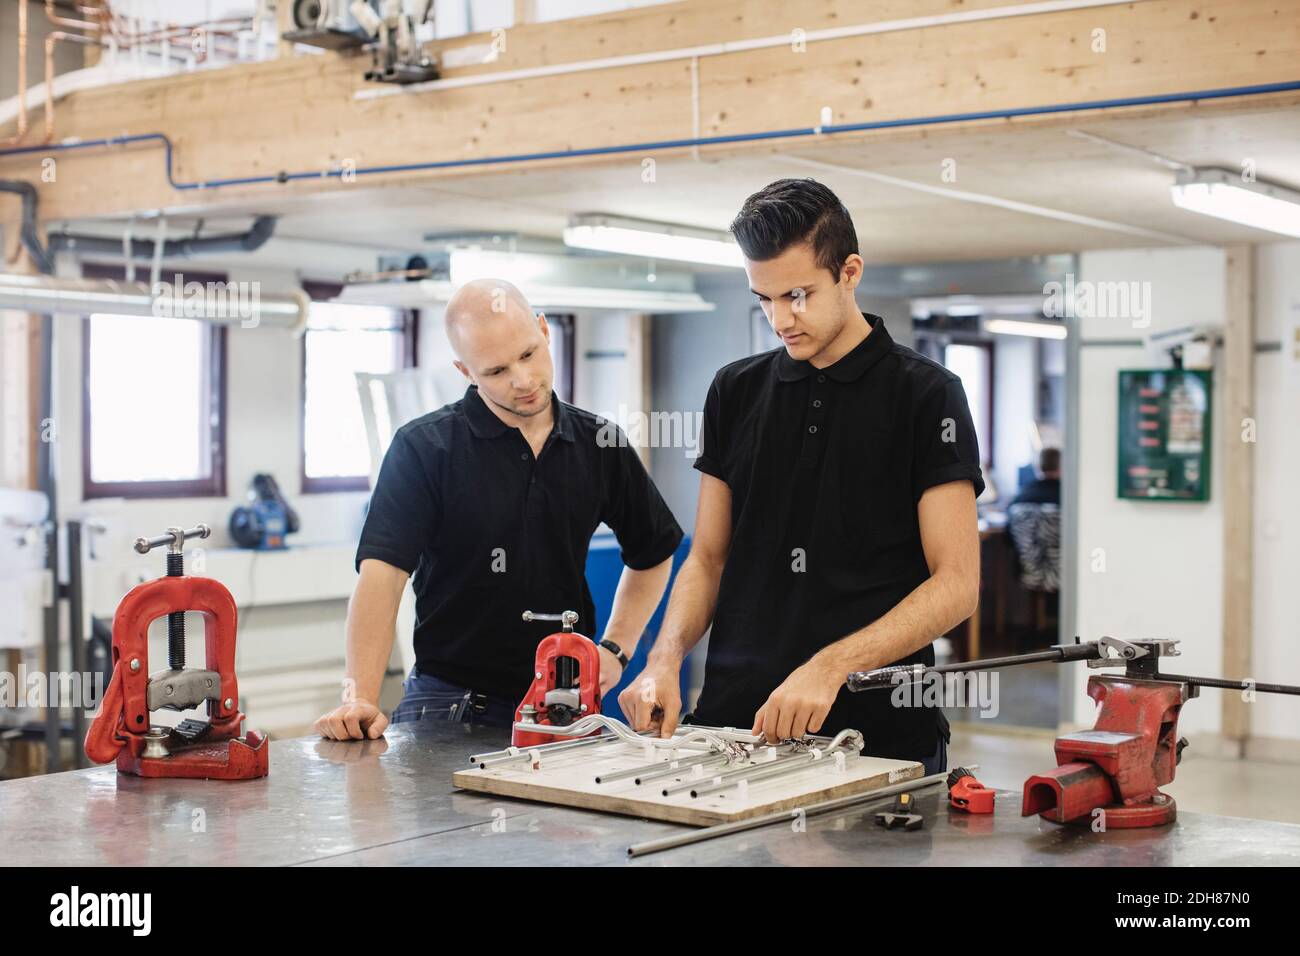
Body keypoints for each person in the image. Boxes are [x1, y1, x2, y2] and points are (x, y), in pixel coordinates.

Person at [620, 179, 983, 774]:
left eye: (798, 294)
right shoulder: (734, 391)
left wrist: (831, 665)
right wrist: (663, 659)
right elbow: (708, 557)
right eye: (763, 299)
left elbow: (958, 584)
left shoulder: (927, 395)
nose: (780, 319)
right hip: (734, 727)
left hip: (877, 735)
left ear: (850, 272)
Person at [315, 279, 683, 740]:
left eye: (528, 354)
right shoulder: (424, 448)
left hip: (566, 705)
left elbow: (653, 551)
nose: (523, 381)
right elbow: (381, 581)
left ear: (544, 331)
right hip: (449, 704)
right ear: (464, 370)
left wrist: (615, 648)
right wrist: (360, 698)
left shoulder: (600, 443)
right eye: (496, 371)